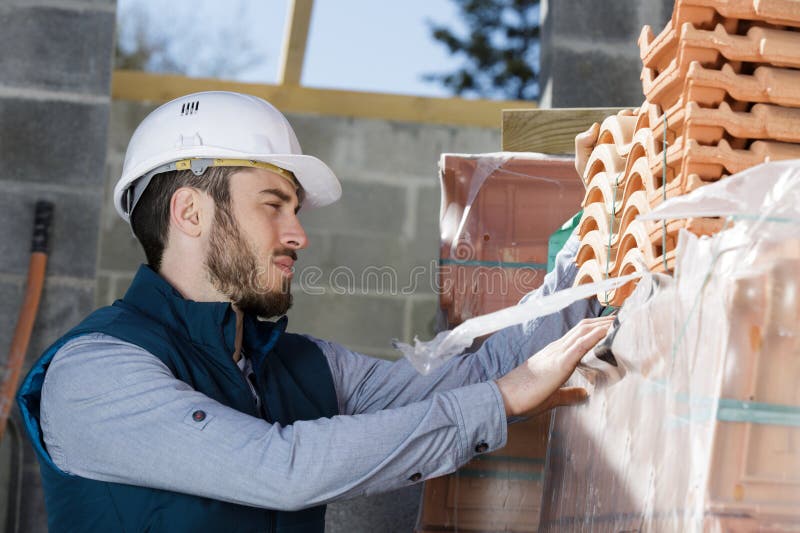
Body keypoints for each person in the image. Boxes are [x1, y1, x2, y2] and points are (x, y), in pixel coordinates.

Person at [17, 91, 611, 532]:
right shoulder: (93, 375)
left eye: (295, 210)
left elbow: (472, 380)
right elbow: (282, 469)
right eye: (274, 205)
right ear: (191, 212)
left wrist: (597, 247)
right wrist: (504, 399)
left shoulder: (301, 365)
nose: (299, 233)